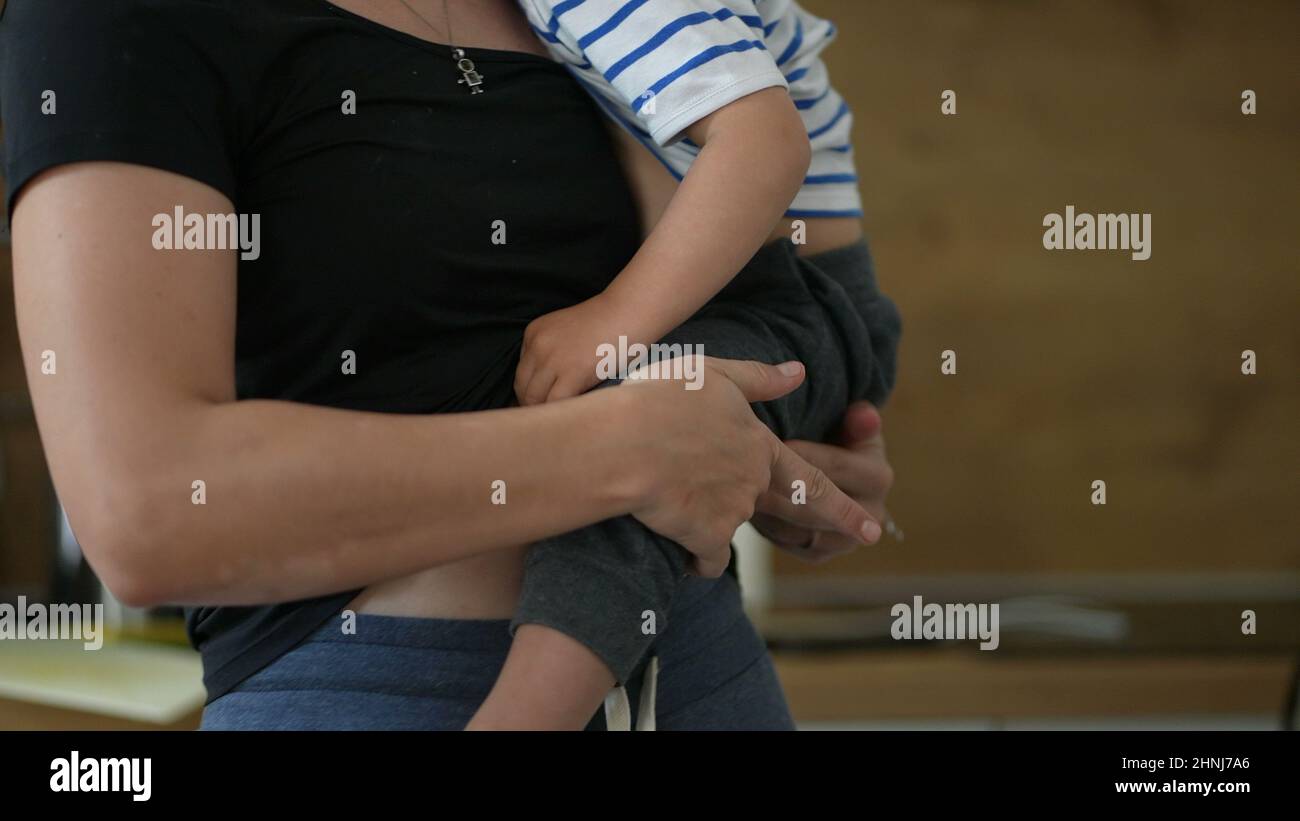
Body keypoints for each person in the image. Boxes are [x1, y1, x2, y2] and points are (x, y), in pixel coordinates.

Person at [1, 0, 899, 730]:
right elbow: (145, 511)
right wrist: (632, 449)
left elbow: (734, 295)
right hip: (377, 690)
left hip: (705, 673)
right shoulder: (112, 21)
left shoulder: (565, 13)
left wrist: (768, 452)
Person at [469, 0, 894, 728]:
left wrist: (615, 320)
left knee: (638, 429)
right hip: (775, 287)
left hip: (798, 298)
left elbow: (764, 146)